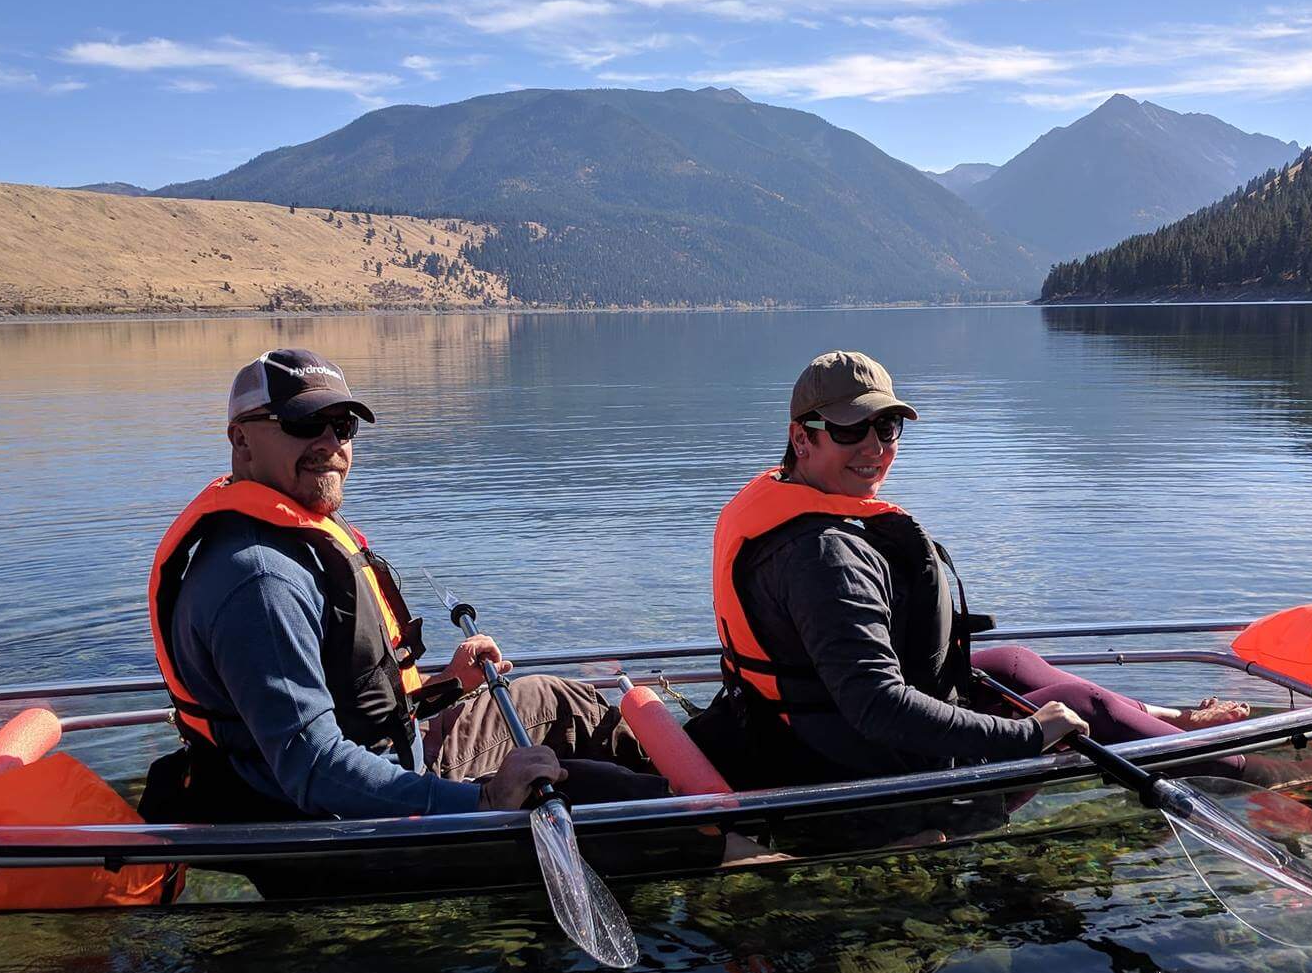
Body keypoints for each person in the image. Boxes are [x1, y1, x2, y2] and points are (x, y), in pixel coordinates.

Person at [144, 348, 665, 885]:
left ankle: (697, 778)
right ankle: (718, 835)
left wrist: (444, 687)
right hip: (361, 823)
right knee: (613, 797)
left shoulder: (287, 542)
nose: (330, 444)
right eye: (304, 424)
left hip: (398, 759)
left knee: (563, 700)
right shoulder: (261, 581)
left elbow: (349, 699)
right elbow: (317, 769)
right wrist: (485, 799)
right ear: (241, 440)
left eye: (341, 426)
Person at [689, 350, 1253, 789]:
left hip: (795, 718)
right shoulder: (823, 554)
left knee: (1011, 662)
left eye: (886, 428)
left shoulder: (781, 499)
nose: (874, 447)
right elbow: (877, 706)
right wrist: (1029, 735)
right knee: (1082, 710)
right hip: (848, 755)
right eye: (849, 430)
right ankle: (1267, 781)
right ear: (800, 437)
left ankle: (1173, 722)